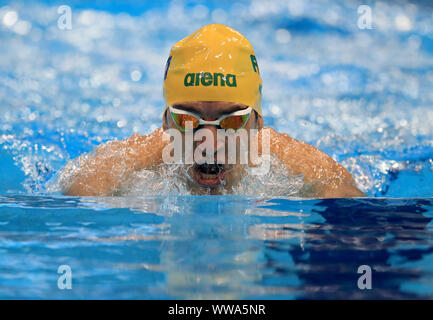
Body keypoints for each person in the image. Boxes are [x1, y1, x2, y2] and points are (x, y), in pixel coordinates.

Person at [60, 24, 365, 198]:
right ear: (166, 123)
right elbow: (78, 197)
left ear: (258, 124)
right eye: (187, 119)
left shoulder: (298, 166)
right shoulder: (133, 162)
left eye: (231, 120)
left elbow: (351, 207)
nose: (209, 142)